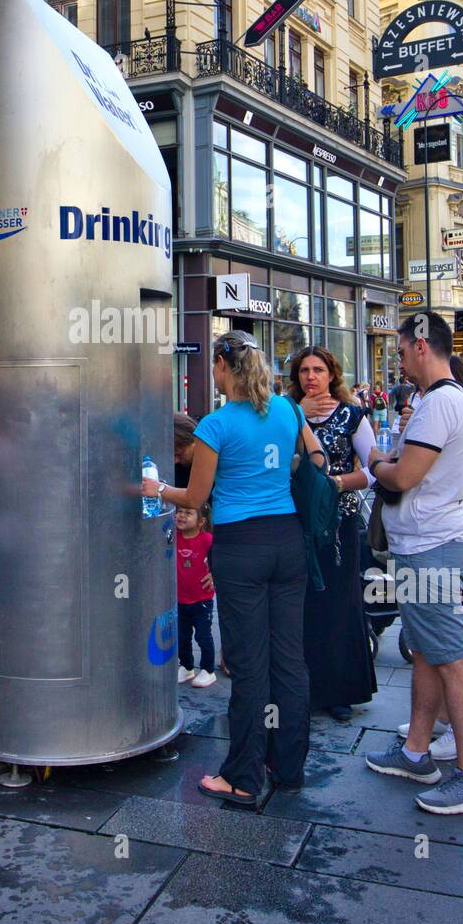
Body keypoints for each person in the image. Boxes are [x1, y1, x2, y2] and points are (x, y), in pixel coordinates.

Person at [151, 330, 326, 806]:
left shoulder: (216, 425)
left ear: (224, 366)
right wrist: (286, 469)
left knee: (248, 665)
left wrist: (157, 490)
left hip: (241, 547)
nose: (214, 372)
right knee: (289, 659)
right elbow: (316, 458)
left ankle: (244, 777)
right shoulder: (288, 410)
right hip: (287, 540)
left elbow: (195, 496)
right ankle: (288, 767)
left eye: (215, 364)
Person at [364, 311, 463, 815]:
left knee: (450, 656)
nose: (399, 362)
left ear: (421, 345)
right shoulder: (449, 399)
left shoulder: (440, 403)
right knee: (426, 651)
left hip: (431, 545)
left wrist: (375, 462)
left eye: (401, 352)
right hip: (429, 541)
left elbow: (403, 477)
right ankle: (416, 752)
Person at [289, 346, 377, 723]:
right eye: (304, 370)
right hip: (296, 521)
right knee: (301, 604)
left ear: (331, 375)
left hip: (340, 522)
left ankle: (340, 691)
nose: (311, 377)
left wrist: (335, 484)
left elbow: (373, 469)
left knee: (340, 602)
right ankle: (302, 688)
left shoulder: (352, 415)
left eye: (318, 370)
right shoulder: (285, 412)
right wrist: (297, 417)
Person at [176, 503, 215, 688]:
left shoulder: (207, 539)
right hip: (179, 599)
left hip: (202, 600)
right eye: (179, 512)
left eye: (188, 513)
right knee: (181, 636)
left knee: (203, 636)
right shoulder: (173, 537)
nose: (181, 516)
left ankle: (208, 670)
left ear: (201, 522)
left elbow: (219, 557)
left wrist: (214, 573)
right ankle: (186, 666)